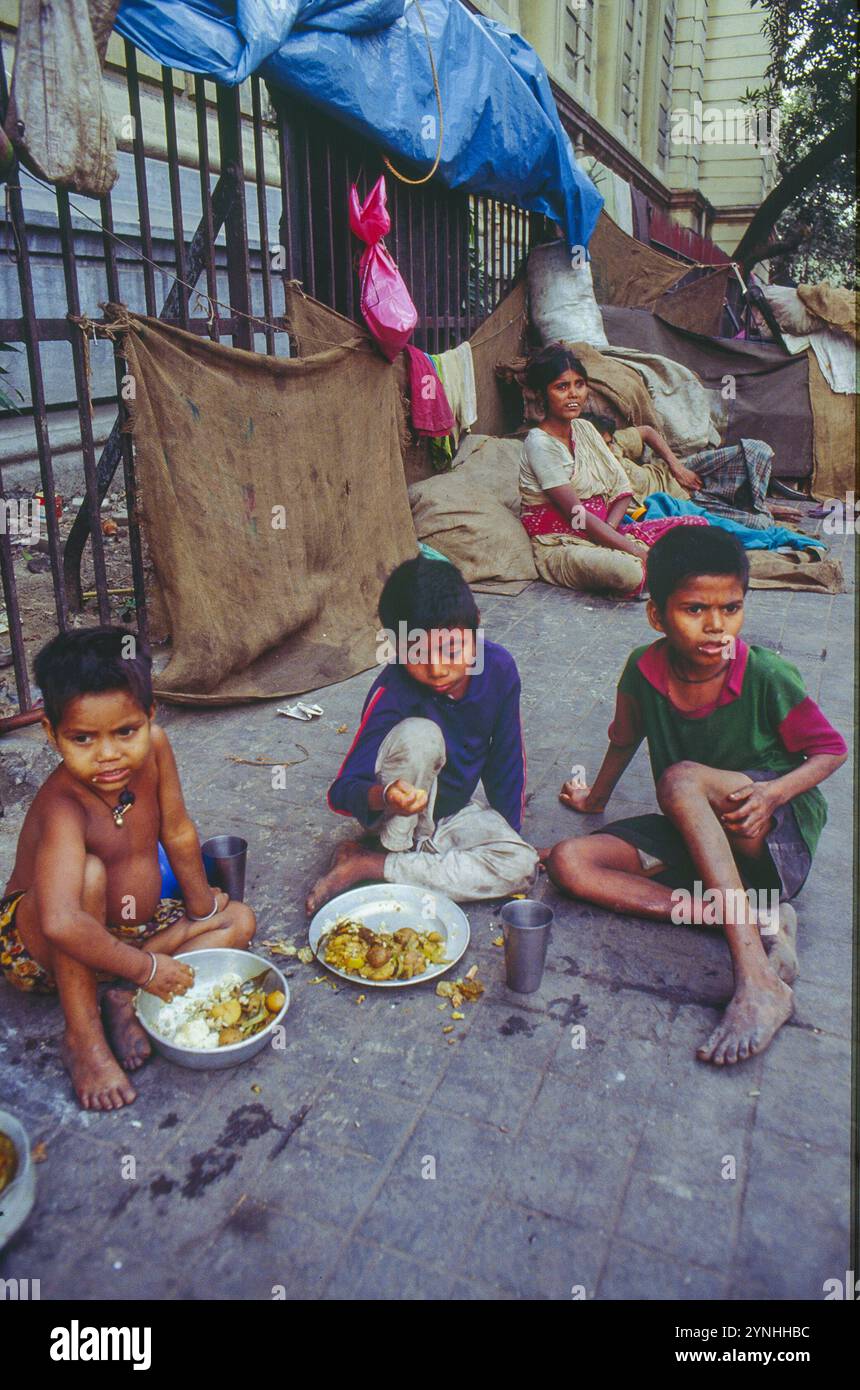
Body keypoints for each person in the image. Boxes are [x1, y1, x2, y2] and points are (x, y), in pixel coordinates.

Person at [545, 528, 847, 1066]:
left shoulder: (766, 675)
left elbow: (830, 751)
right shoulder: (643, 669)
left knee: (681, 778)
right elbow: (623, 740)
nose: (716, 626)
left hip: (770, 840)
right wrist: (593, 801)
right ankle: (759, 920)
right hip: (697, 834)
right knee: (570, 862)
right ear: (657, 616)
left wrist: (774, 794)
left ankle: (756, 978)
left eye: (731, 608)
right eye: (694, 609)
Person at [0, 627, 256, 1111]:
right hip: (44, 947)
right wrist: (148, 967)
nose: (109, 754)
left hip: (125, 932)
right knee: (89, 876)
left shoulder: (156, 749)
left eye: (125, 731)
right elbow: (58, 921)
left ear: (151, 716)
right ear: (51, 734)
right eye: (82, 738)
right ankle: (84, 1038)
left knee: (237, 921)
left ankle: (120, 996)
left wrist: (200, 911)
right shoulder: (63, 804)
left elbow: (178, 832)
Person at [306, 556, 538, 913]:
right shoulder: (393, 690)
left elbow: (506, 762)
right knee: (422, 735)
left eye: (450, 649)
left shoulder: (500, 670)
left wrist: (508, 835)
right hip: (398, 829)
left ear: (476, 625)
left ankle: (370, 866)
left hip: (456, 815)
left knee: (521, 865)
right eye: (417, 653)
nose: (437, 668)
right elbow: (341, 792)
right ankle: (394, 855)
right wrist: (385, 796)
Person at [519, 345, 708, 597]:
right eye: (561, 387)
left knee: (699, 527)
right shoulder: (540, 443)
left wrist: (610, 537)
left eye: (579, 384)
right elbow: (577, 515)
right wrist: (634, 551)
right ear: (543, 394)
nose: (573, 394)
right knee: (629, 571)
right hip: (562, 544)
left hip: (606, 533)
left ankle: (658, 567)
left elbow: (622, 488)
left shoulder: (585, 429)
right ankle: (658, 568)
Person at [580, 412, 701, 504]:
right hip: (678, 503)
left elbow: (647, 432)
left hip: (671, 475)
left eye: (608, 444)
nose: (608, 450)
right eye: (601, 447)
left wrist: (678, 468)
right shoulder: (588, 483)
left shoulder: (614, 445)